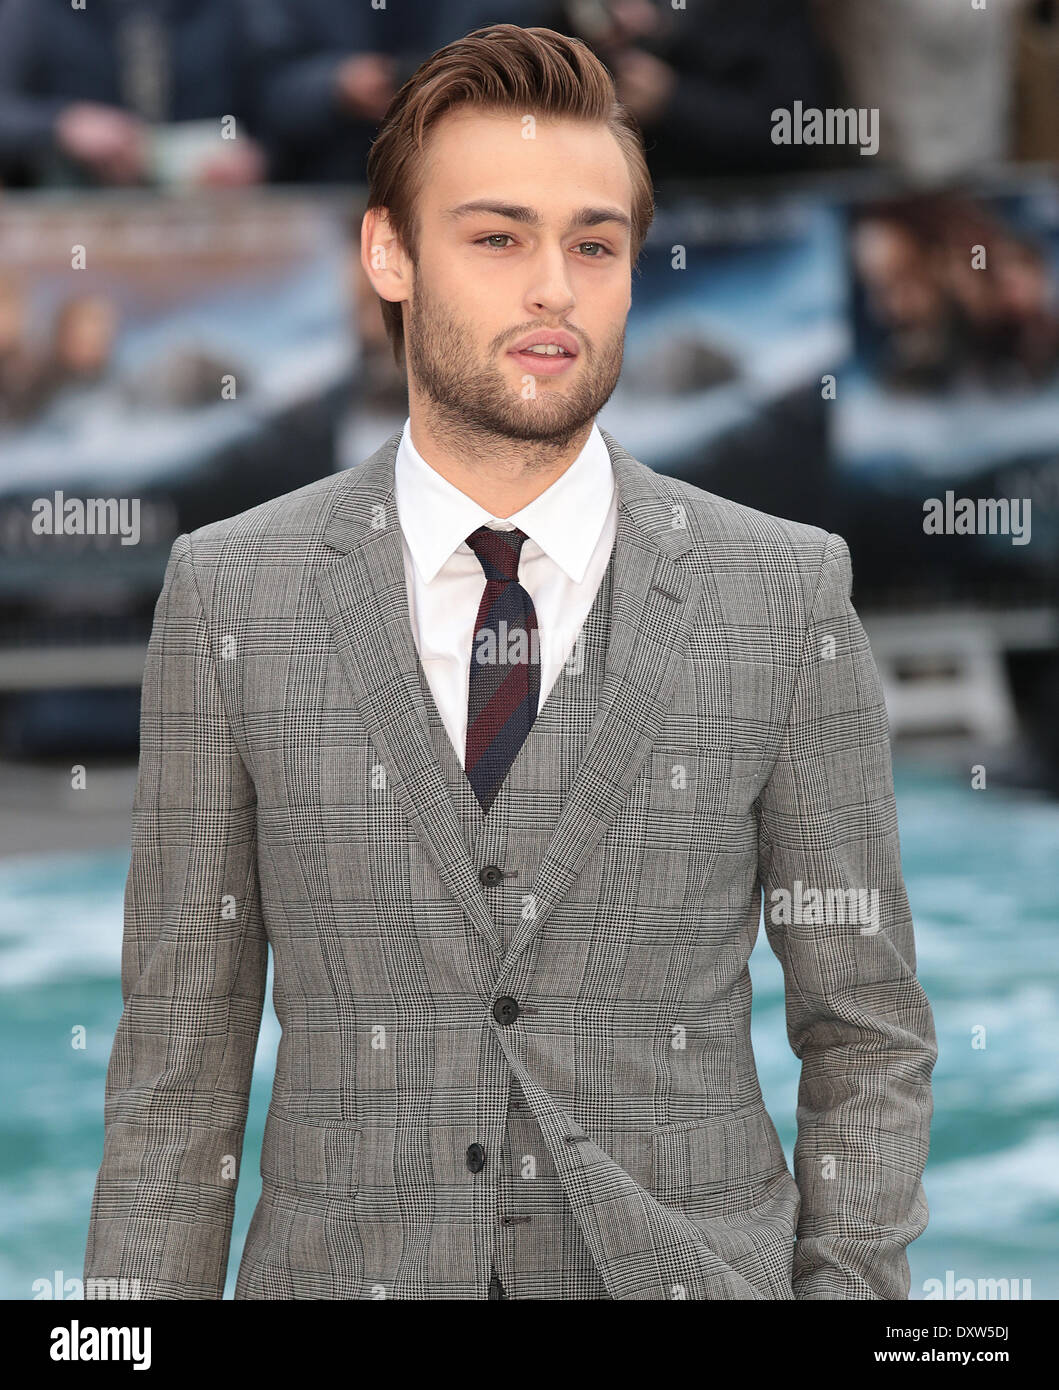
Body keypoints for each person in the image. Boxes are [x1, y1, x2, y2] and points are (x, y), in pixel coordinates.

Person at [83, 23, 937, 1301]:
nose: (556, 286)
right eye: (498, 238)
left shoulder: (785, 589)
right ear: (389, 254)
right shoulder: (231, 590)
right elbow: (177, 1056)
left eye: (594, 244)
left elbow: (866, 1027)